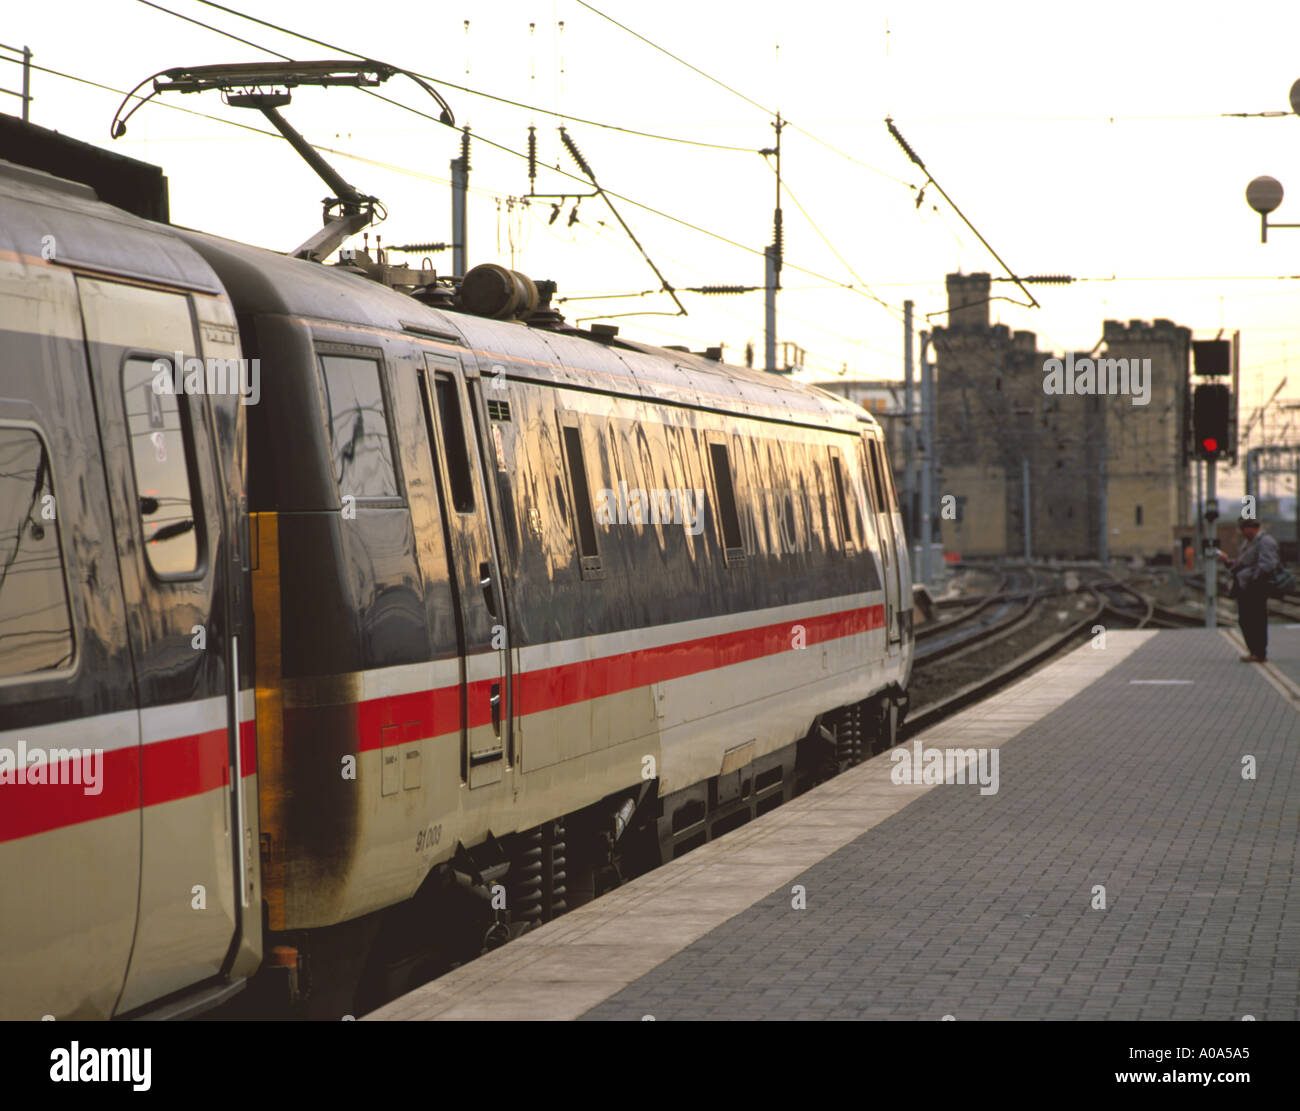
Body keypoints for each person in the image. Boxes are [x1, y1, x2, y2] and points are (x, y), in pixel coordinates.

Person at [1218, 516, 1279, 662]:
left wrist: (1253, 579)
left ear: (1252, 528)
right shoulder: (1248, 542)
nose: (1242, 533)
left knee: (1256, 620)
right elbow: (1243, 564)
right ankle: (1253, 651)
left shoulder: (1265, 542)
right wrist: (1228, 562)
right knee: (1245, 620)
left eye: (1243, 529)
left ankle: (1259, 652)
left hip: (1255, 588)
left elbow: (1267, 565)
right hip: (1245, 587)